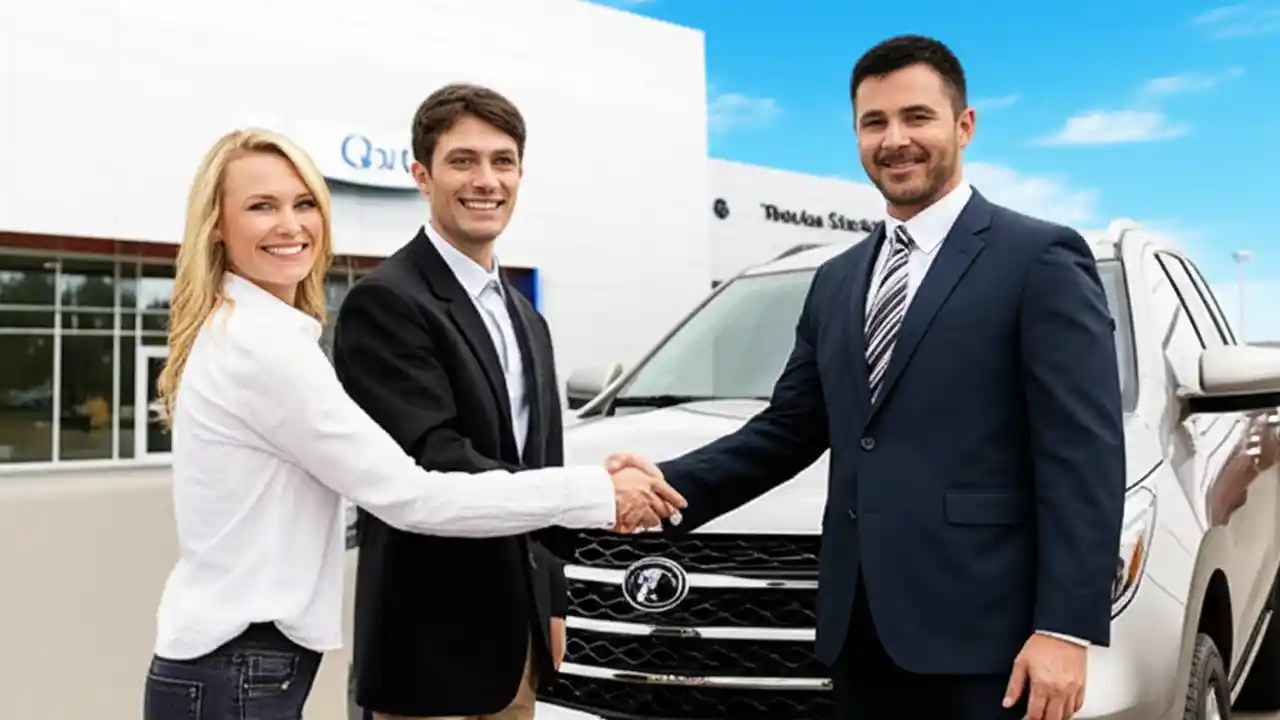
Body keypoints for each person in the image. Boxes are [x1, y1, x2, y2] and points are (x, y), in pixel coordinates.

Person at [611, 34, 1125, 720]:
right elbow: (791, 427)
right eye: (874, 122)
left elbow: (1082, 455)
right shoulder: (837, 279)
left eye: (917, 117)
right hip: (859, 632)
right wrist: (666, 486)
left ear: (964, 126)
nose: (896, 140)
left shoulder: (1039, 259)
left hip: (990, 639)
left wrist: (1064, 628)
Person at [141, 128, 684, 720]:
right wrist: (598, 492)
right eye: (261, 206)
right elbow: (412, 495)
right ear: (217, 225)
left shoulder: (248, 332)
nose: (291, 226)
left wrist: (547, 587)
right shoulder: (262, 345)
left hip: (238, 665)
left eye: (304, 204)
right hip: (240, 667)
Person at [332, 83, 661, 720]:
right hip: (429, 649)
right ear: (421, 176)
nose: (486, 180)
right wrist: (594, 490)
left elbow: (541, 457)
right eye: (463, 161)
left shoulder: (525, 317)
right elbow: (435, 461)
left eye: (502, 161)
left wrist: (555, 606)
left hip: (518, 647)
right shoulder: (387, 303)